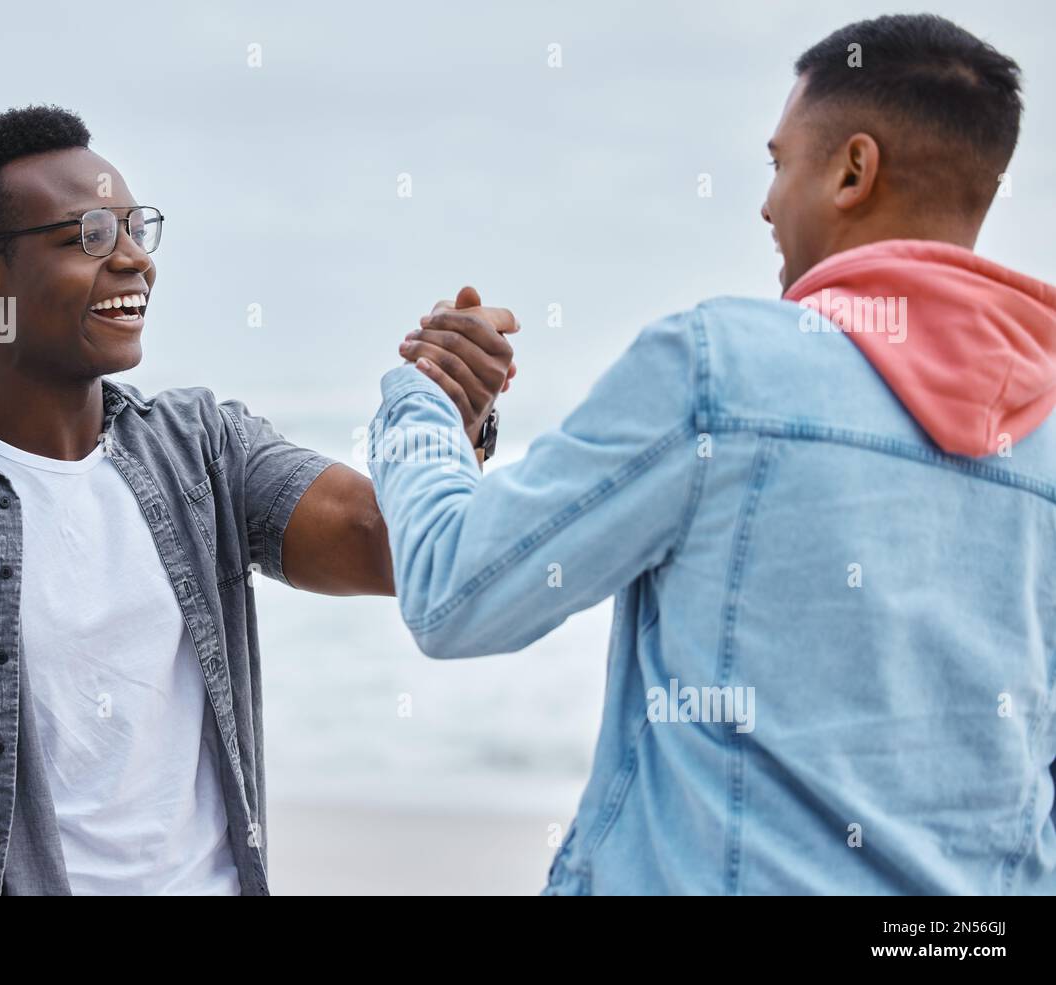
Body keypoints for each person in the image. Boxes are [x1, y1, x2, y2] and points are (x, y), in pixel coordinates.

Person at [374, 14, 1056, 894]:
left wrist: (425, 400)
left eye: (779, 164)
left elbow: (453, 591)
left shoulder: (719, 371)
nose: (766, 203)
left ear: (853, 170)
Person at [0, 105, 515, 895]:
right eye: (91, 236)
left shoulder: (201, 448)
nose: (135, 259)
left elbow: (385, 541)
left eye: (136, 229)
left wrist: (454, 417)